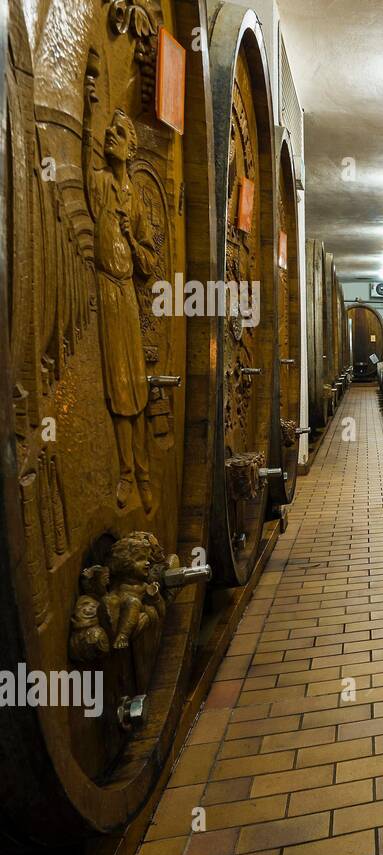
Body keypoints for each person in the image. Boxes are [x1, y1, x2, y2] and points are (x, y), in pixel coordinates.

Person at [83, 48, 157, 510]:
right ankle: (129, 471)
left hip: (126, 292)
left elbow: (150, 262)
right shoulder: (98, 183)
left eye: (120, 132)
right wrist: (90, 94)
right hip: (104, 291)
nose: (111, 136)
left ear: (131, 149)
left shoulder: (135, 202)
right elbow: (80, 147)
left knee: (135, 385)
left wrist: (132, 244)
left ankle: (140, 470)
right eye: (109, 131)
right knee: (117, 386)